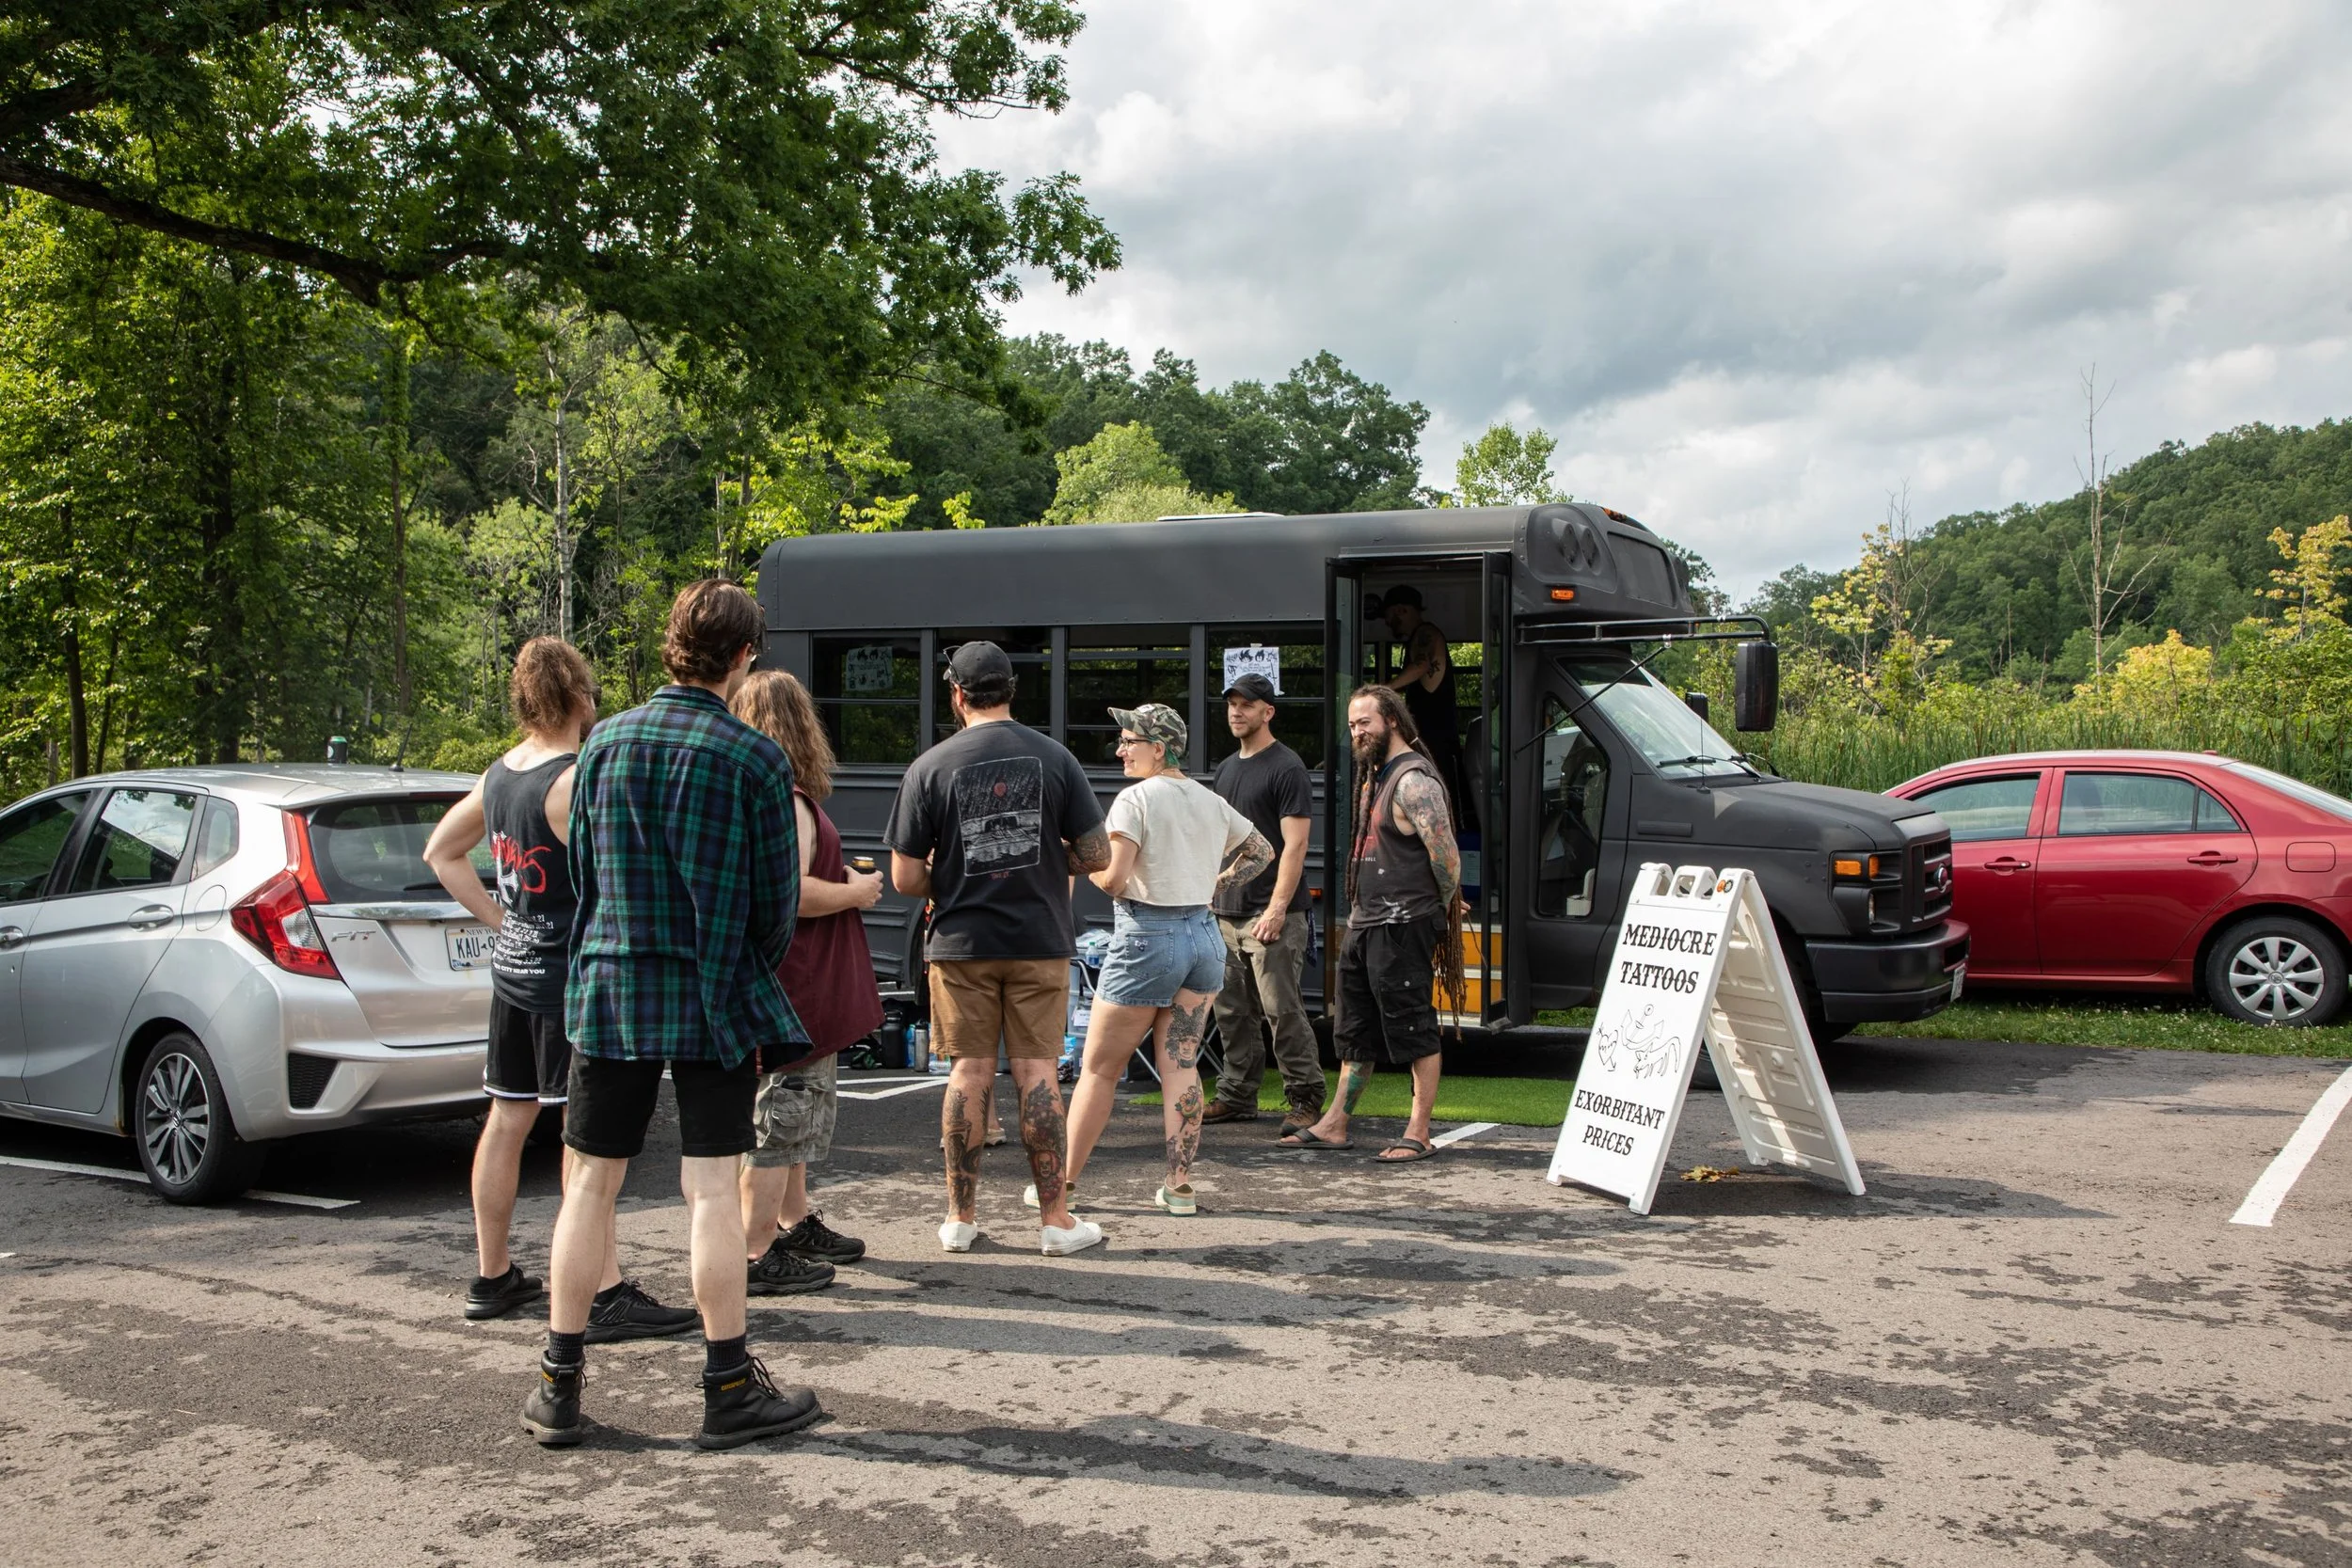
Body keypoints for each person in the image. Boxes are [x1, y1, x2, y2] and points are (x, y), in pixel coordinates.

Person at [521, 580, 822, 1451]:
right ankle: (727, 1388)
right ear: (742, 657)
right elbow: (775, 907)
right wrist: (738, 966)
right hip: (711, 989)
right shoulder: (755, 758)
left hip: (611, 987)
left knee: (590, 1183)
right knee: (709, 1193)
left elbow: (583, 871)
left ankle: (557, 1383)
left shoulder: (603, 743)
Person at [422, 638, 698, 1345]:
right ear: (581, 696)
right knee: (586, 1136)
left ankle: (493, 1274)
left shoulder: (500, 774)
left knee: (507, 1117)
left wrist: (500, 917)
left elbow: (441, 852)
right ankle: (602, 1287)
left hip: (512, 972)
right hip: (569, 977)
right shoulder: (572, 780)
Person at [884, 641, 1111, 1256]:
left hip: (960, 944)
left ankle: (959, 1218)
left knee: (968, 1071)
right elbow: (1098, 855)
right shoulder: (1055, 758)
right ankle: (1056, 1222)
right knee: (1039, 1073)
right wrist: (1039, 858)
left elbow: (905, 879)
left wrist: (957, 872)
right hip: (1038, 939)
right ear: (1012, 690)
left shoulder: (929, 767)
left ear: (956, 694)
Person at [1060, 704, 1272, 1216]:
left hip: (1145, 937)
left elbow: (1111, 879)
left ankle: (1061, 1185)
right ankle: (1179, 1187)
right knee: (1180, 1064)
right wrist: (1216, 885)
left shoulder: (1135, 799)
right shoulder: (1209, 799)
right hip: (1203, 937)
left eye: (1128, 741)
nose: (1119, 750)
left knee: (1099, 1069)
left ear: (1159, 748)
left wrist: (1077, 861)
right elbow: (1262, 851)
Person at [727, 670, 884, 1294]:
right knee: (782, 1118)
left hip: (787, 986)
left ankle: (792, 1220)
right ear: (799, 723)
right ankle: (755, 1249)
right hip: (794, 989)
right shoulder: (786, 798)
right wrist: (856, 890)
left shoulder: (763, 795)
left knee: (789, 1118)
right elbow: (789, 893)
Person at [1279, 685, 1464, 1163]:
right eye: (1352, 725)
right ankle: (1337, 1124)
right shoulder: (1375, 777)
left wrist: (1437, 907)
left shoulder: (1414, 780)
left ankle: (1419, 1133)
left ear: (1393, 722)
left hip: (1403, 924)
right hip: (1366, 923)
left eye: (1365, 722)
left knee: (1415, 1027)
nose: (1357, 732)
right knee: (1355, 1028)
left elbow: (1447, 860)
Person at [1203, 673, 1324, 1137]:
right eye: (1231, 704)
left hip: (1273, 913)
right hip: (1226, 911)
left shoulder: (1287, 767)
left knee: (1283, 1010)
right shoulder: (1228, 767)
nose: (1236, 712)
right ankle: (1237, 1097)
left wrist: (1275, 911)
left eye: (1247, 705)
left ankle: (1305, 1099)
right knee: (1231, 1012)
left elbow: (1295, 847)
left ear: (1267, 712)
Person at [1380, 584, 1470, 829]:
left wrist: (1384, 690)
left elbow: (1421, 666)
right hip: (1432, 741)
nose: (1388, 624)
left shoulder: (1425, 634)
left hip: (1437, 741)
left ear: (1400, 610)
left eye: (1389, 617)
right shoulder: (1417, 638)